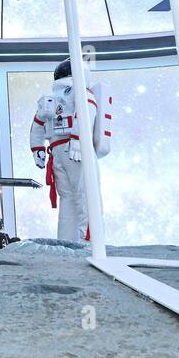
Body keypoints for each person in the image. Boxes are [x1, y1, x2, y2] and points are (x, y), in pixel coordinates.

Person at [30, 59, 111, 242]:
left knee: (66, 200)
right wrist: (77, 139)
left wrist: (37, 150)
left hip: (57, 152)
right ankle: (90, 241)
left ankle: (66, 240)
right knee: (86, 195)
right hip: (76, 150)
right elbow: (86, 111)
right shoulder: (80, 92)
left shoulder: (50, 99)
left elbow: (37, 124)